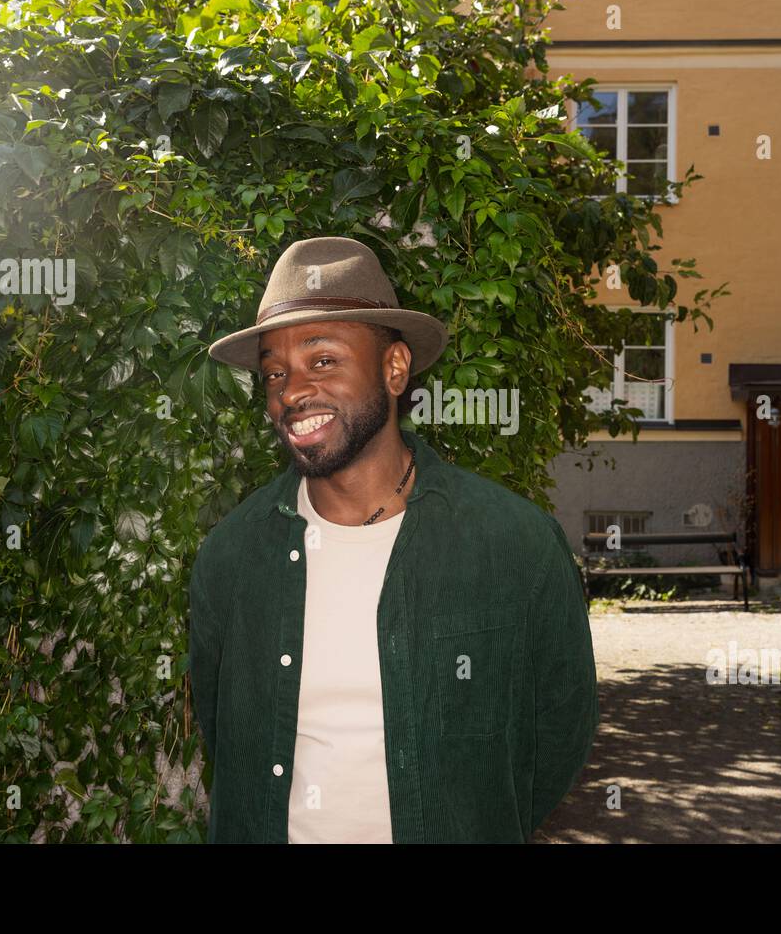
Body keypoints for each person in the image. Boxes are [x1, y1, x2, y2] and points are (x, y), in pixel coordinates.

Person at [189, 236, 598, 843]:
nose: (292, 391)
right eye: (276, 371)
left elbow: (556, 738)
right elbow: (221, 729)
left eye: (321, 359)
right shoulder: (234, 555)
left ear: (394, 368)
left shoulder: (512, 546)